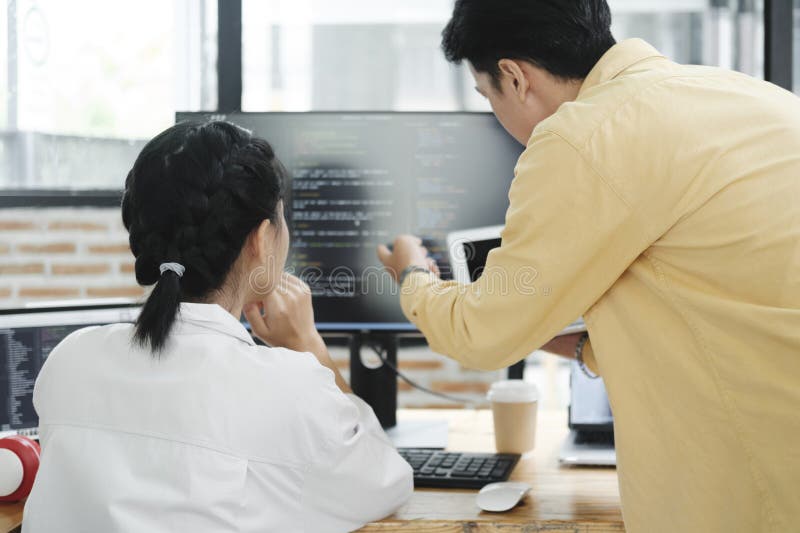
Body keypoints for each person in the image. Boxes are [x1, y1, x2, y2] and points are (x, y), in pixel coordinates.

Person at [377, 1, 800, 531]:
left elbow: (481, 334)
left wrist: (414, 276)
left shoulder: (583, 136)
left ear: (514, 76)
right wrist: (575, 344)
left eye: (487, 96)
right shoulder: (752, 97)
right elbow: (725, 310)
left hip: (756, 492)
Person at [24, 121, 412, 532]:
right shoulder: (287, 388)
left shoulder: (69, 360)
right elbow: (385, 480)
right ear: (261, 239)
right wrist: (307, 344)